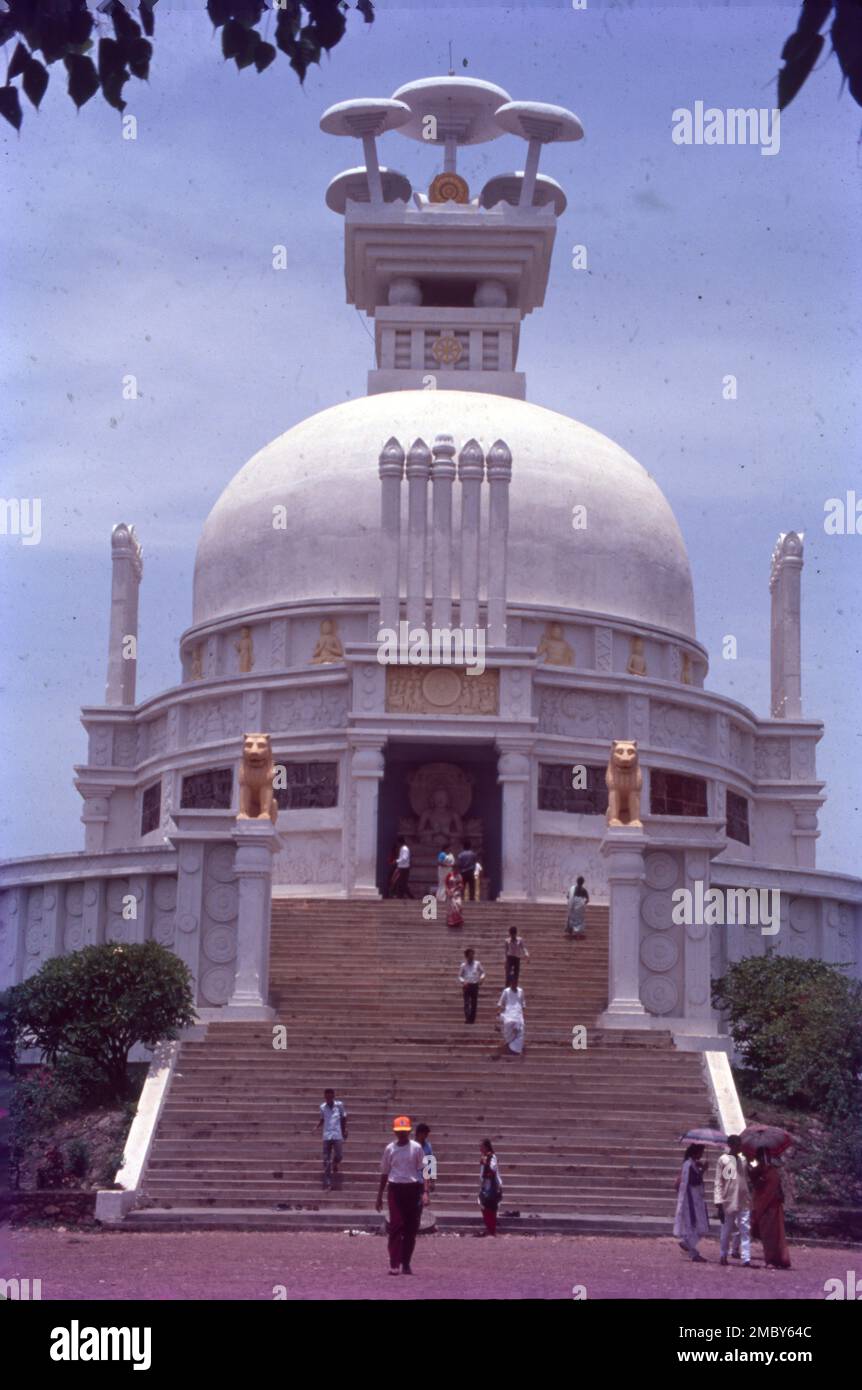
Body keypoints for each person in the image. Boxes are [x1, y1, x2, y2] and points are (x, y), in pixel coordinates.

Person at [375, 1114, 430, 1276]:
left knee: (411, 1229)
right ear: (394, 1132)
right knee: (396, 1227)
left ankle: (406, 1262)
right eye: (399, 1131)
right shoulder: (390, 1149)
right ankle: (394, 1262)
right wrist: (379, 1196)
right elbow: (385, 1173)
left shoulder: (417, 1148)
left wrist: (425, 1192)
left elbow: (424, 1170)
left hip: (413, 1190)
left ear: (409, 1131)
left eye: (405, 1131)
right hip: (396, 1190)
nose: (402, 1134)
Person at [750, 1147, 791, 1268]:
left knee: (777, 1234)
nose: (765, 1159)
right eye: (762, 1157)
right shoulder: (757, 1171)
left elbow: (778, 1188)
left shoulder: (772, 1171)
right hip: (763, 1206)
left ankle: (780, 1259)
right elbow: (755, 1185)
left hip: (774, 1206)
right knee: (767, 1235)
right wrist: (759, 1179)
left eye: (766, 1157)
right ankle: (770, 1260)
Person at [714, 1134, 751, 1266]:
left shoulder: (743, 1160)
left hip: (743, 1200)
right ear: (731, 1145)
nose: (739, 1147)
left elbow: (746, 1178)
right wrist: (718, 1203)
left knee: (745, 1230)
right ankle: (723, 1255)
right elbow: (719, 1182)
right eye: (737, 1144)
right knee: (726, 1230)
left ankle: (746, 1258)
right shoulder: (724, 1160)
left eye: (740, 1144)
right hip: (728, 1200)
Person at [673, 1142, 710, 1261]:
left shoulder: (691, 1164)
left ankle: (689, 1246)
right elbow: (693, 1181)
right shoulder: (689, 1165)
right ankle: (691, 1248)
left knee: (697, 1227)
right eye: (701, 1152)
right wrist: (703, 1170)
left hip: (695, 1199)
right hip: (690, 1201)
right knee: (696, 1226)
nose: (702, 1154)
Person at [314, 1088, 348, 1190]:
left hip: (337, 1134)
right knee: (326, 1160)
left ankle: (335, 1163)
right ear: (325, 1097)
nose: (328, 1098)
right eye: (326, 1097)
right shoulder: (322, 1107)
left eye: (330, 1096)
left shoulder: (339, 1105)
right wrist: (317, 1126)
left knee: (339, 1155)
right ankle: (328, 1182)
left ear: (333, 1096)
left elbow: (343, 1117)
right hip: (327, 1135)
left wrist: (344, 1129)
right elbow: (322, 1119)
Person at [493, 981, 526, 1058]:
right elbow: (500, 1003)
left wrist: (522, 1015)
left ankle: (514, 1049)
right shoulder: (506, 991)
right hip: (509, 1014)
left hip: (518, 1015)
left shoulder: (520, 991)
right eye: (512, 983)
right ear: (511, 984)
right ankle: (507, 1048)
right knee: (509, 1031)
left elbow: (523, 1004)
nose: (514, 985)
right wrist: (498, 1011)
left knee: (518, 1032)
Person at [477, 1139, 502, 1236]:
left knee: (490, 1208)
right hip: (485, 1185)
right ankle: (489, 1229)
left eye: (481, 1146)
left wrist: (485, 1162)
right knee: (483, 1206)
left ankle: (492, 1230)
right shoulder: (484, 1157)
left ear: (486, 1147)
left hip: (492, 1186)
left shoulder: (492, 1157)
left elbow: (492, 1169)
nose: (480, 1149)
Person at [458, 947, 486, 1023]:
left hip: (474, 984)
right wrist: (463, 982)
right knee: (466, 1003)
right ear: (466, 956)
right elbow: (460, 976)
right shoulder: (463, 965)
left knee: (474, 1003)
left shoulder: (477, 963)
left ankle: (472, 1019)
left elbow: (483, 972)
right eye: (470, 955)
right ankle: (467, 1018)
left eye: (472, 955)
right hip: (466, 985)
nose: (471, 957)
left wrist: (481, 978)